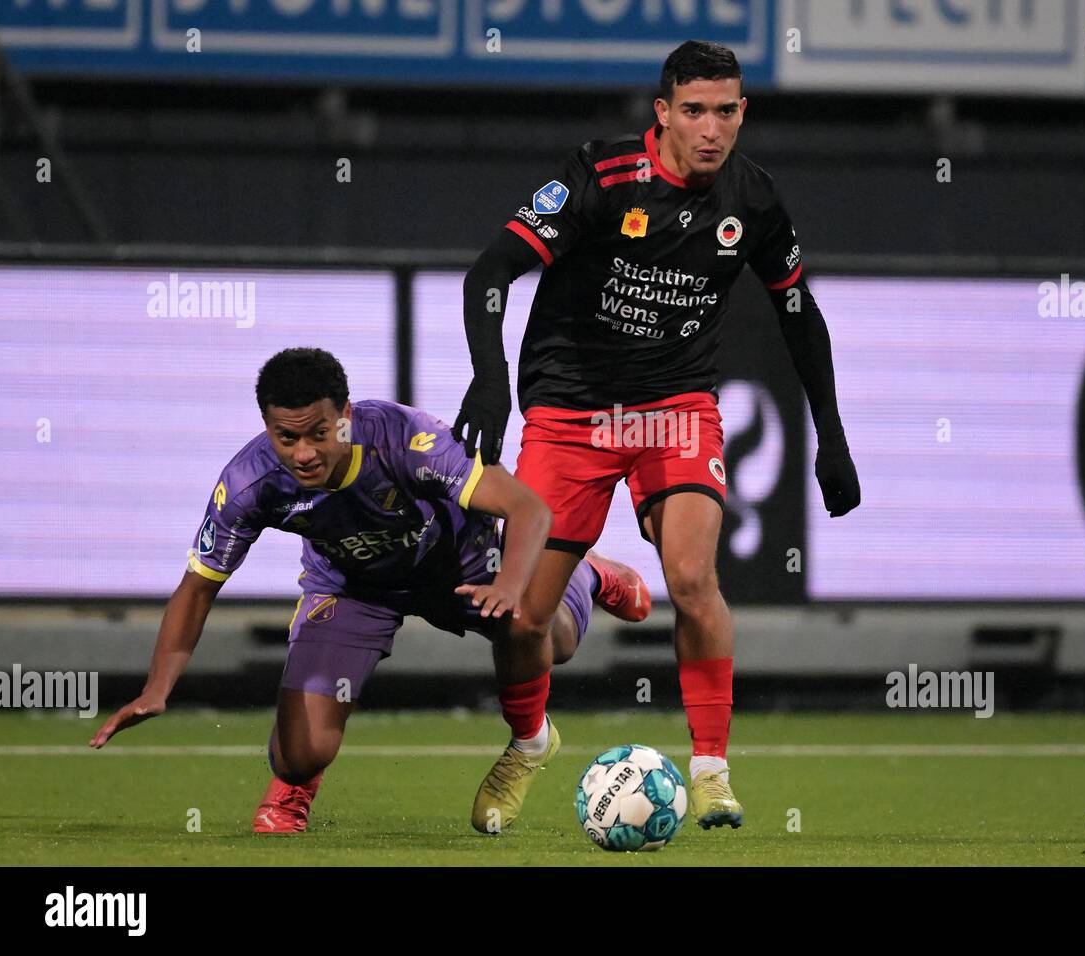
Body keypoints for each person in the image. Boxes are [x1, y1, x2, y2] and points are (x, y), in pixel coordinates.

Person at [455, 40, 861, 831]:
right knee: (524, 620)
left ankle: (711, 770)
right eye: (696, 111)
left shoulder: (754, 197)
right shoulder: (598, 179)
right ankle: (530, 743)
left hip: (675, 408)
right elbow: (492, 271)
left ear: (744, 112)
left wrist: (832, 435)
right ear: (663, 112)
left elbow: (798, 312)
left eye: (728, 111)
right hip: (571, 414)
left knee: (691, 577)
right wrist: (491, 377)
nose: (712, 129)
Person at [90, 347, 649, 833]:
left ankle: (586, 575)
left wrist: (508, 583)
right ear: (267, 428)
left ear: (346, 416)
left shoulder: (407, 439)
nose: (303, 453)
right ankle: (295, 787)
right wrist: (158, 687)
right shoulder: (249, 483)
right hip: (353, 587)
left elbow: (527, 507)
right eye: (286, 437)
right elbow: (198, 587)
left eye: (318, 432)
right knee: (299, 755)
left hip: (457, 563)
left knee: (546, 635)